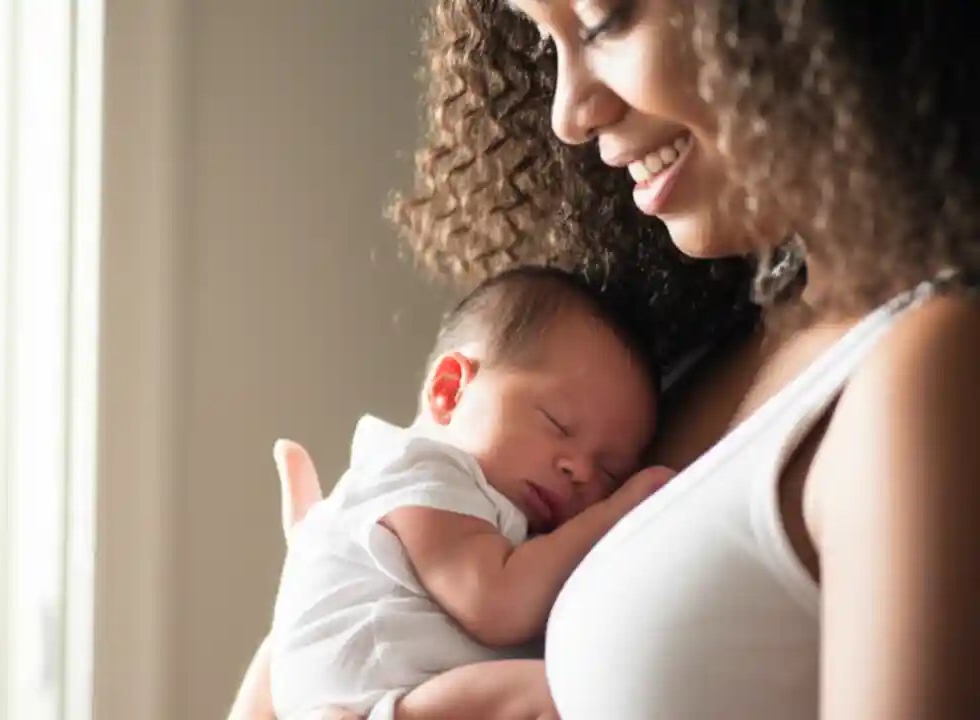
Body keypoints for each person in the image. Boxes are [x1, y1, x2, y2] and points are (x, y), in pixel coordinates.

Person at [230, 0, 980, 717]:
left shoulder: (926, 372)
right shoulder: (661, 362)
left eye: (604, 19)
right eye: (543, 40)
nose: (568, 114)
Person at [271, 268, 672, 720]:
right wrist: (616, 510)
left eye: (609, 471)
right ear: (449, 390)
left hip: (403, 697)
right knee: (560, 692)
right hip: (379, 704)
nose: (579, 470)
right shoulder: (423, 468)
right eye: (557, 423)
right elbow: (496, 603)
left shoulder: (498, 509)